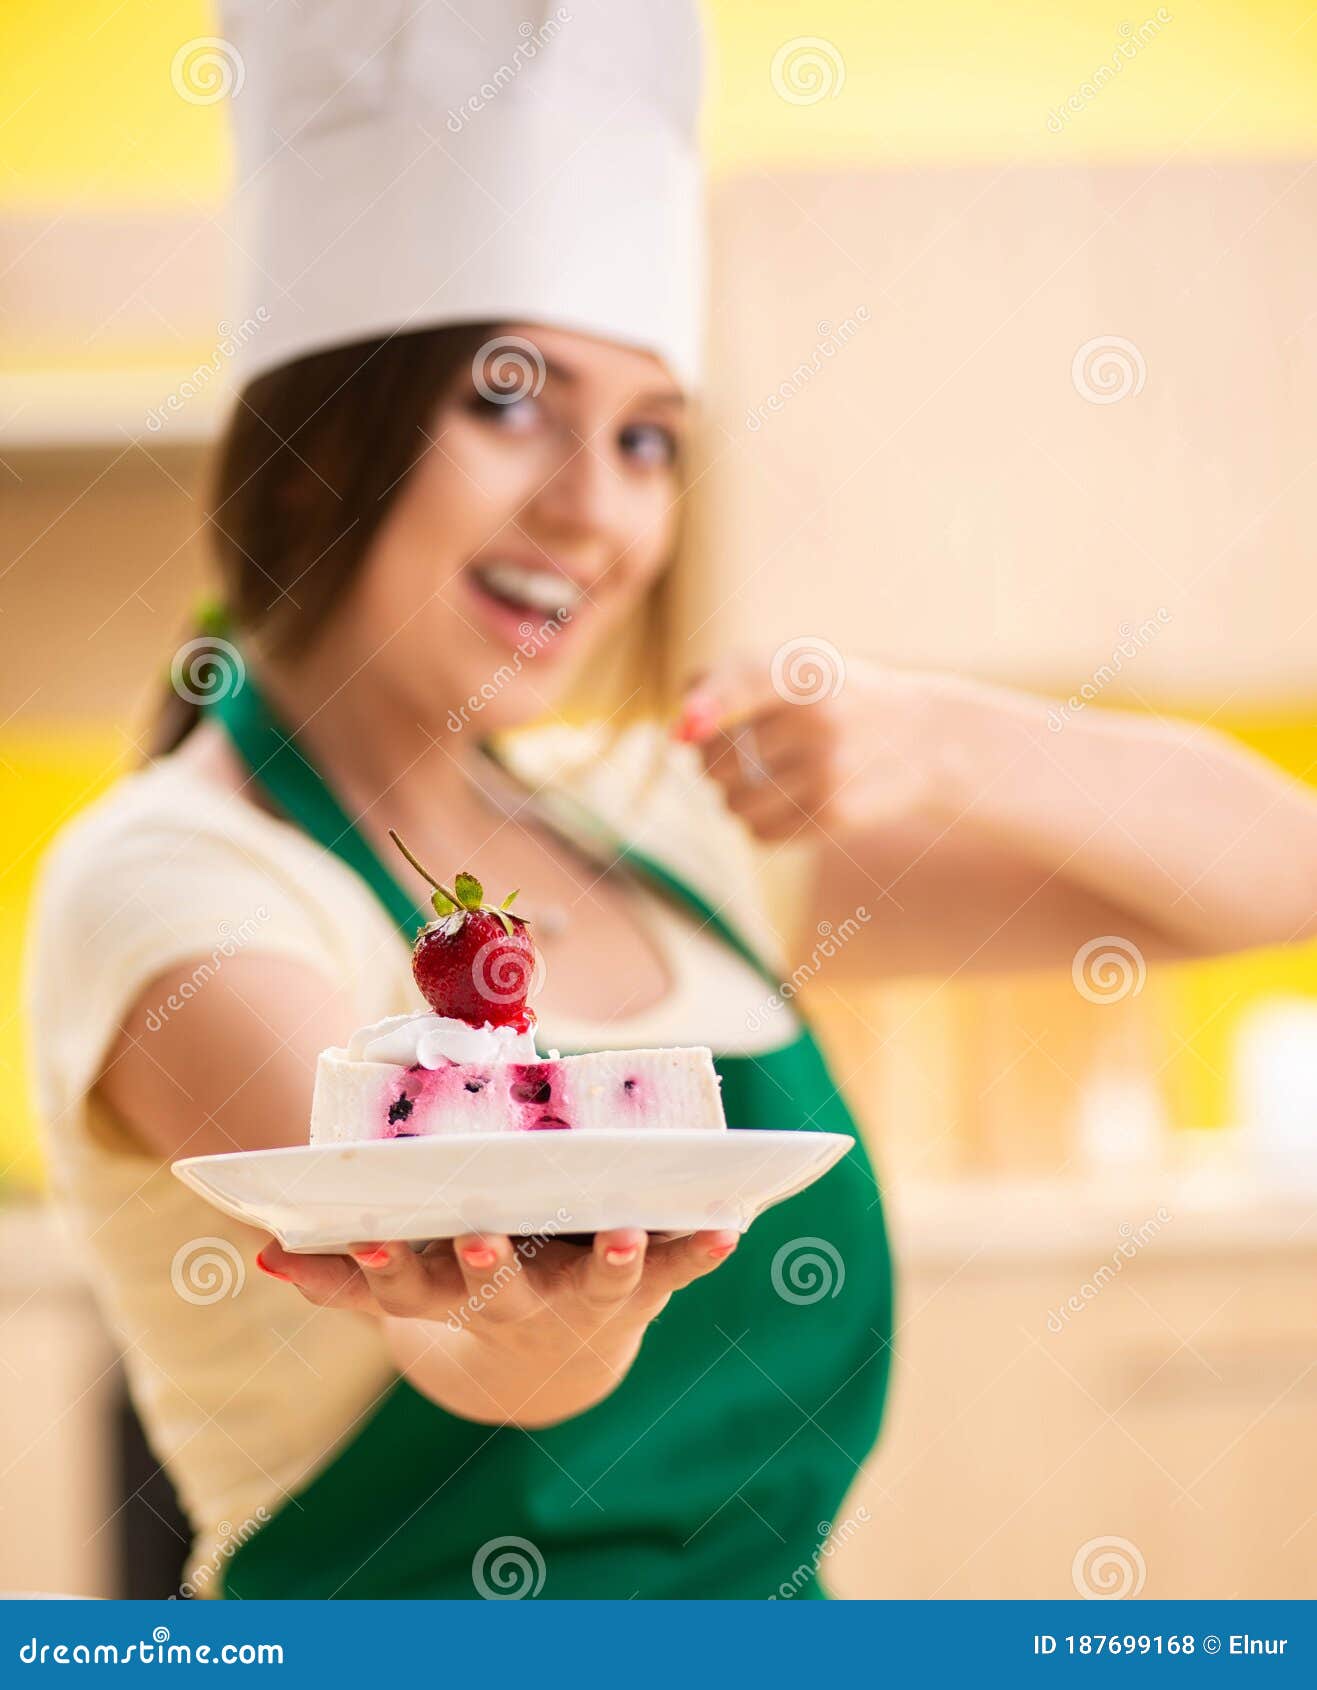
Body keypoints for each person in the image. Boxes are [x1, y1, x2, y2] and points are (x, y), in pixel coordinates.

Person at [26, 0, 1317, 1603]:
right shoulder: (167, 877)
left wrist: (951, 735)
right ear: (309, 448)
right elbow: (443, 1308)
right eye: (511, 400)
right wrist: (546, 1322)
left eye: (647, 440)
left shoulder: (660, 824)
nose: (593, 509)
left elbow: (1280, 877)